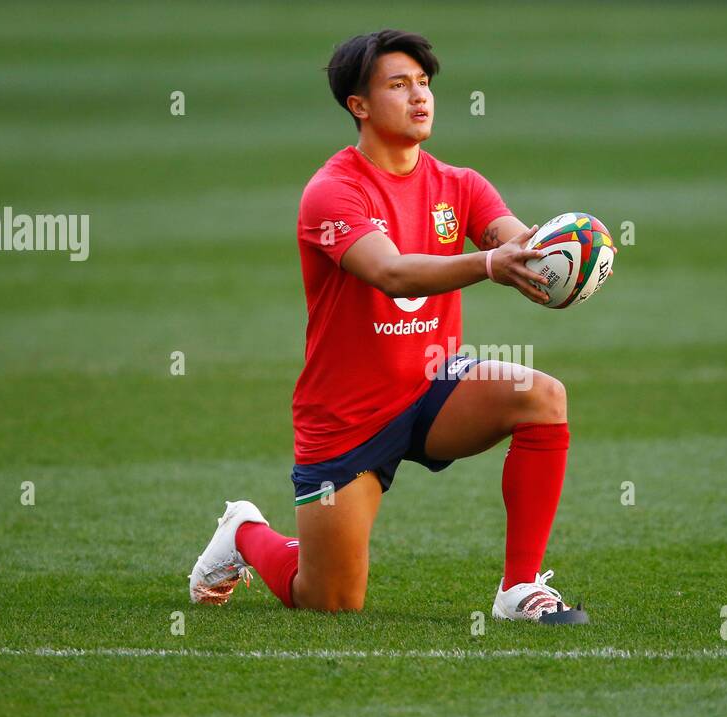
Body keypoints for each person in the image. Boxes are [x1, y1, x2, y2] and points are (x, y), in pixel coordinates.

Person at [188, 29, 582, 623]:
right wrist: (487, 264)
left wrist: (562, 251)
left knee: (543, 396)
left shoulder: (461, 185)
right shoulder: (332, 193)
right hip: (346, 416)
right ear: (360, 105)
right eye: (399, 85)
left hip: (431, 386)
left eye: (424, 84)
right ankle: (245, 532)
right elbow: (392, 273)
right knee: (330, 600)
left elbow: (513, 240)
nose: (420, 96)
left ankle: (519, 589)